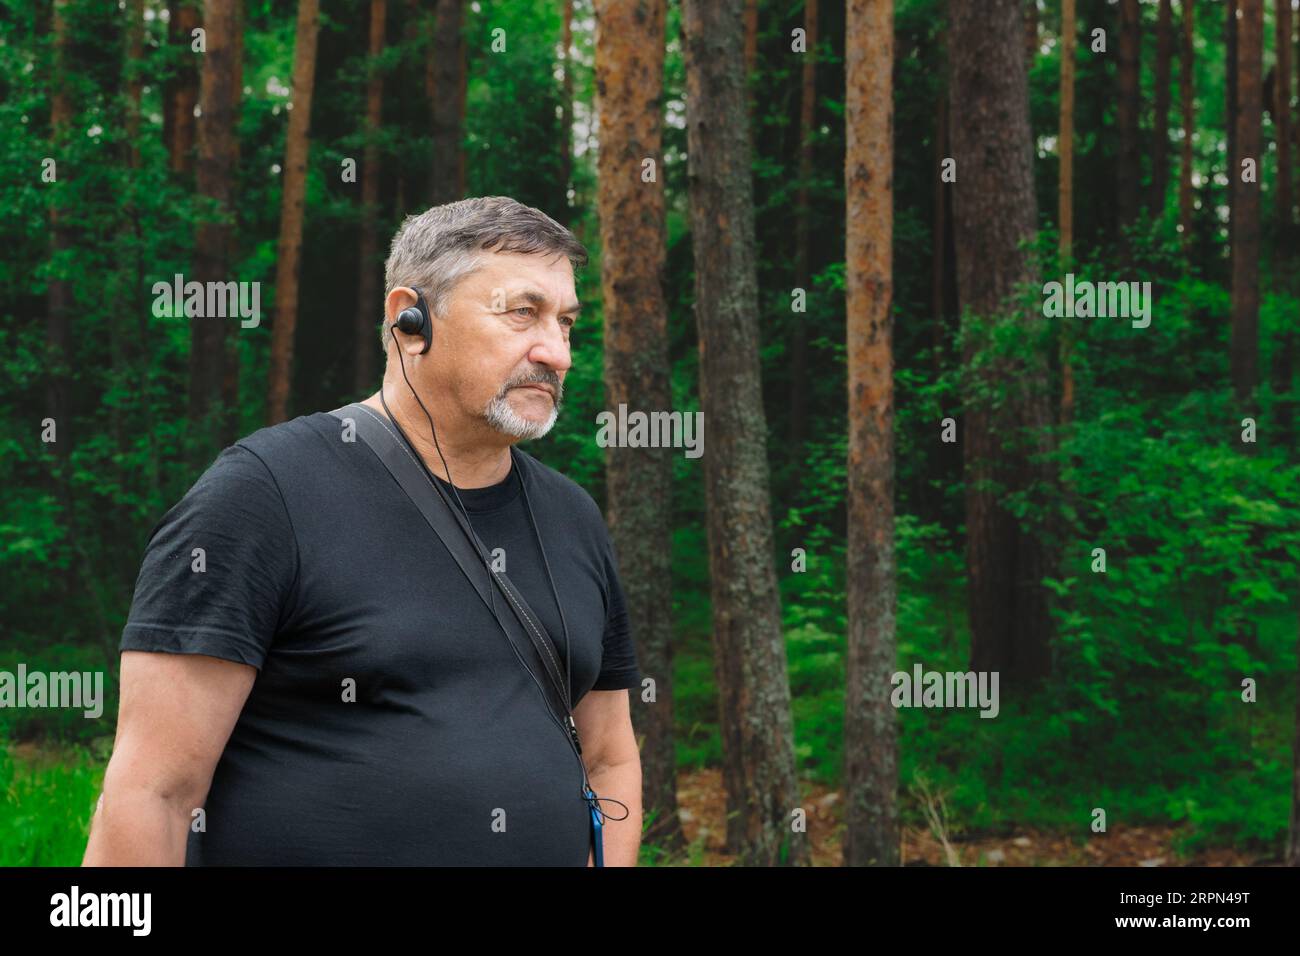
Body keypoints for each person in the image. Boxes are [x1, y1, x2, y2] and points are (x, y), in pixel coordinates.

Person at [82, 196, 643, 866]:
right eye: (522, 312)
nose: (557, 353)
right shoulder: (262, 497)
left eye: (567, 323)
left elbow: (610, 760)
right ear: (411, 321)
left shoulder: (573, 518)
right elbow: (153, 793)